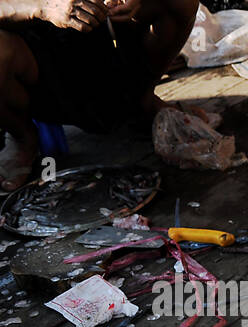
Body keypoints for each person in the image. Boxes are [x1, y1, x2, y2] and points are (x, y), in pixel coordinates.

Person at [0, 0, 199, 190]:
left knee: (178, 2)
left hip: (107, 45)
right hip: (32, 66)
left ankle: (143, 100)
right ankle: (23, 137)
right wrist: (40, 7)